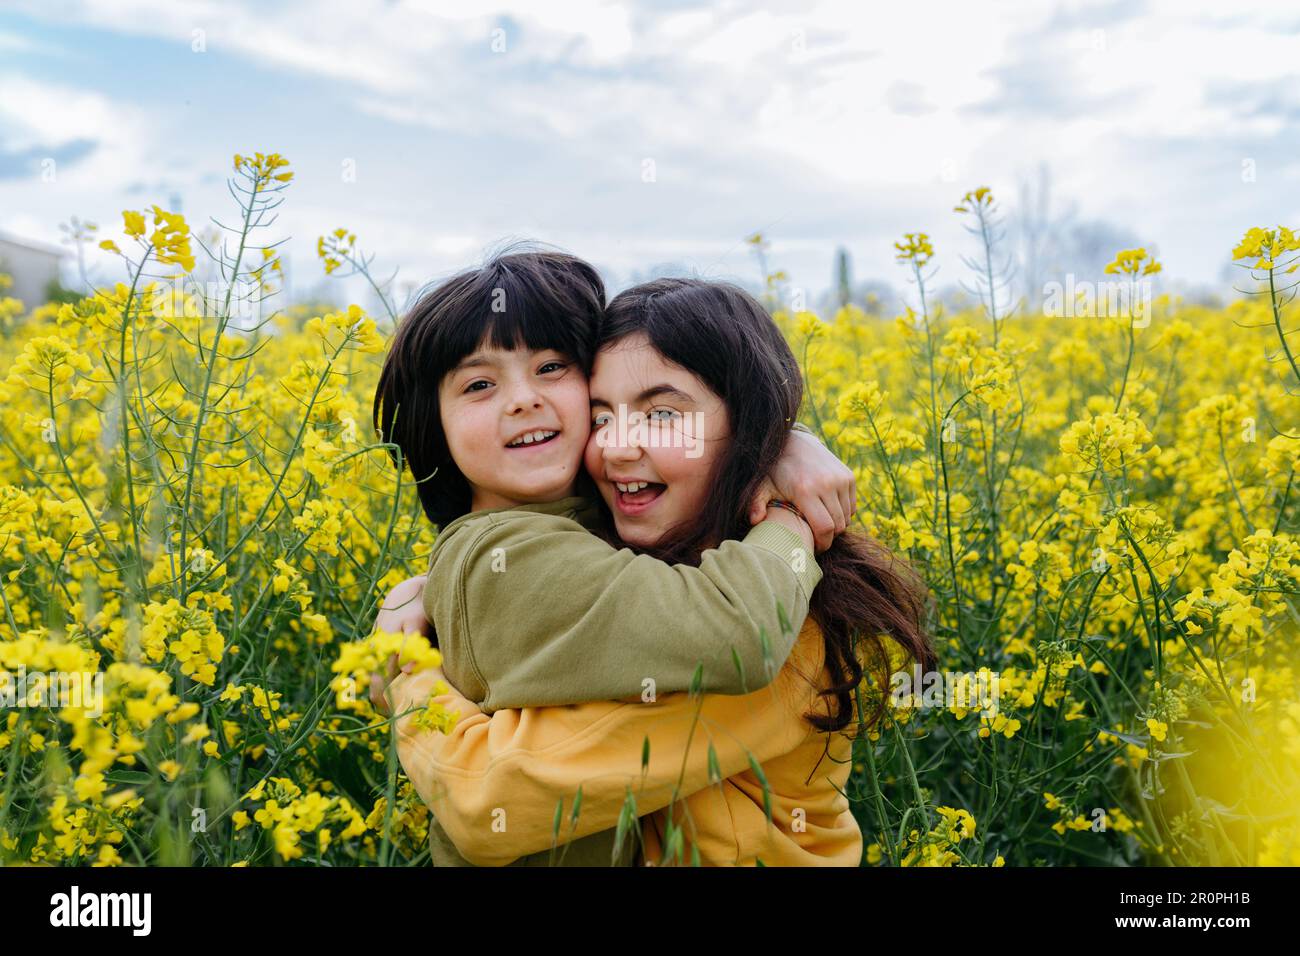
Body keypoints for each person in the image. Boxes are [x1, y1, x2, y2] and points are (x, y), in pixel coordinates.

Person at [378, 276, 933, 866]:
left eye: (663, 414)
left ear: (747, 430)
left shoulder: (784, 629)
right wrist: (420, 592)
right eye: (599, 416)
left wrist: (403, 673)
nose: (618, 448)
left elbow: (486, 798)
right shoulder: (632, 556)